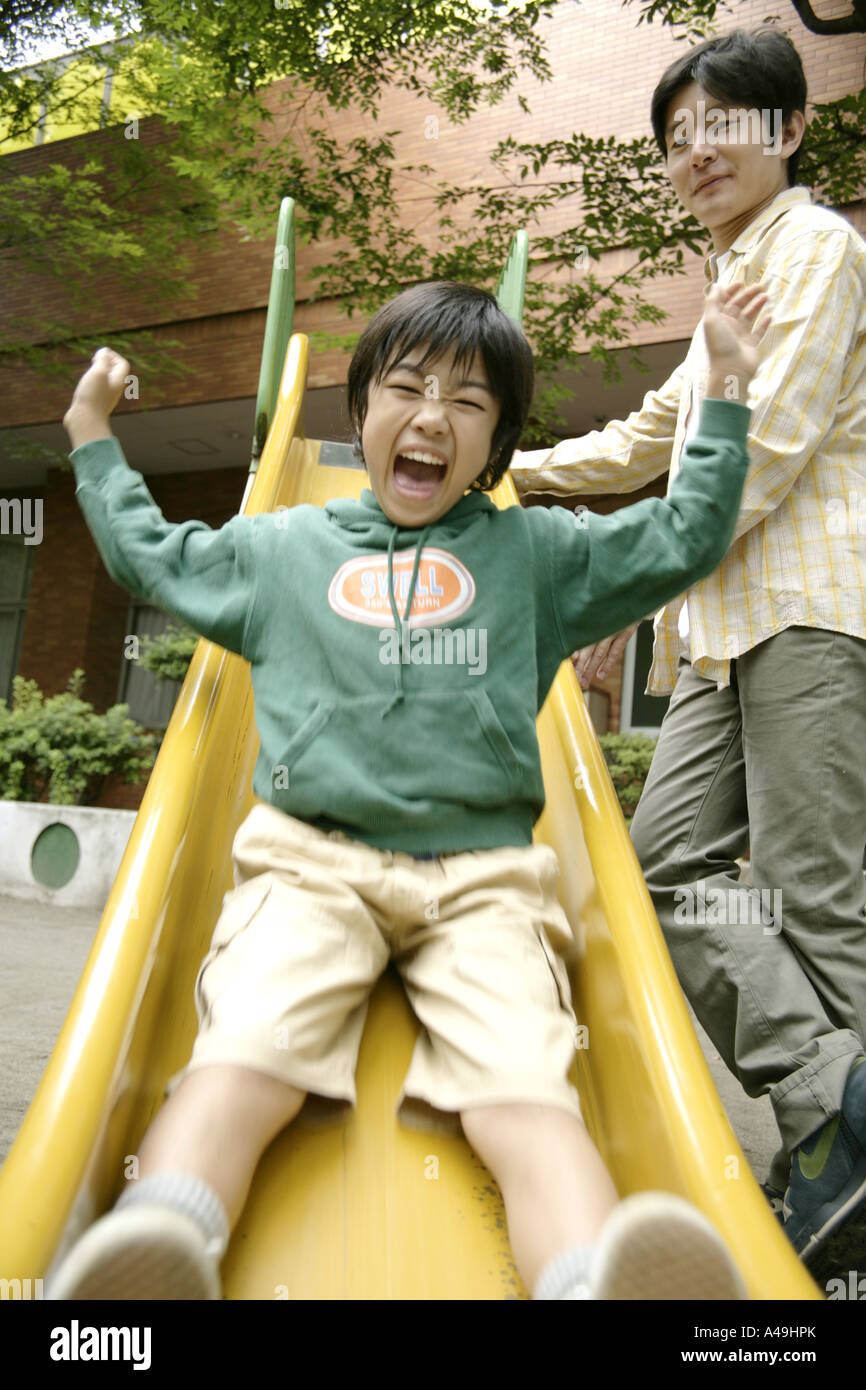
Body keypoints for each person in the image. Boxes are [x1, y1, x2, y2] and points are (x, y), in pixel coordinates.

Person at [47, 275, 767, 1302]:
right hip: (308, 864)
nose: (432, 417)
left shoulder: (533, 555)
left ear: (495, 447)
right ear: (362, 410)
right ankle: (163, 1238)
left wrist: (726, 393)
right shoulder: (281, 550)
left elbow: (681, 539)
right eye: (408, 387)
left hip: (482, 881)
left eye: (469, 403)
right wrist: (90, 433)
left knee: (526, 1084)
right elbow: (149, 558)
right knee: (246, 1046)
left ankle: (591, 1280)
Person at [510, 26, 866, 1283]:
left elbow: (759, 448)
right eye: (674, 140)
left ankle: (838, 1165)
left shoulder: (818, 248)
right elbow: (649, 434)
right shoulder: (728, 282)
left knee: (813, 900)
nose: (692, 156)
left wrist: (625, 581)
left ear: (785, 131)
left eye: (718, 127)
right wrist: (507, 471)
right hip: (720, 633)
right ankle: (834, 1099)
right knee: (660, 867)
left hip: (812, 613)